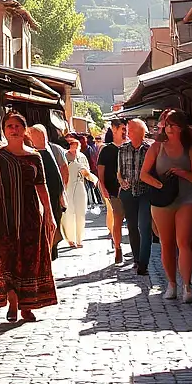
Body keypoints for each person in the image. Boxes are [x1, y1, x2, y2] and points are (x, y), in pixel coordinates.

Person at [0, 111, 58, 321]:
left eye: (17, 126)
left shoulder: (35, 157)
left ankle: (28, 305)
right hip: (3, 215)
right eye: (9, 126)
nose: (13, 130)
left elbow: (42, 187)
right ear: (4, 131)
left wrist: (49, 213)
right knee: (6, 257)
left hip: (30, 217)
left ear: (24, 130)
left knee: (29, 259)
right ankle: (13, 301)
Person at [137, 109, 192, 303]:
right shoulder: (157, 147)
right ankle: (171, 284)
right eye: (167, 125)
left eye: (173, 125)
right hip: (162, 200)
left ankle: (187, 286)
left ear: (181, 128)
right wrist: (160, 185)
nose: (169, 128)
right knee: (166, 244)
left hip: (186, 198)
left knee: (183, 243)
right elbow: (144, 175)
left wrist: (183, 173)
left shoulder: (190, 148)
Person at [115, 118, 153, 277]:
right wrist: (121, 181)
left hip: (146, 192)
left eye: (129, 129)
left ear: (139, 132)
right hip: (128, 192)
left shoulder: (150, 148)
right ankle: (137, 259)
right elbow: (119, 172)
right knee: (132, 227)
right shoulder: (123, 149)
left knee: (144, 226)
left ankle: (143, 264)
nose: (126, 132)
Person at [24, 124, 66, 258]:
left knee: (52, 224)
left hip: (50, 197)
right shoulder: (38, 154)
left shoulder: (45, 153)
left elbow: (57, 177)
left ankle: (51, 252)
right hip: (42, 198)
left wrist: (61, 195)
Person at [96, 122, 125, 265]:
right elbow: (100, 170)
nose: (125, 132)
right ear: (114, 129)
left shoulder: (129, 148)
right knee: (118, 220)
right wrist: (103, 187)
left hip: (130, 190)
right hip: (114, 190)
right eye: (122, 129)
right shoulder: (106, 150)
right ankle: (118, 248)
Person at [60, 136, 96, 248]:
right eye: (71, 144)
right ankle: (71, 239)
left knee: (80, 213)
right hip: (67, 187)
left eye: (75, 144)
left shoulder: (82, 156)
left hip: (80, 186)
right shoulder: (64, 156)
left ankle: (79, 239)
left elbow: (87, 172)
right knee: (69, 213)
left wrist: (92, 179)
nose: (74, 147)